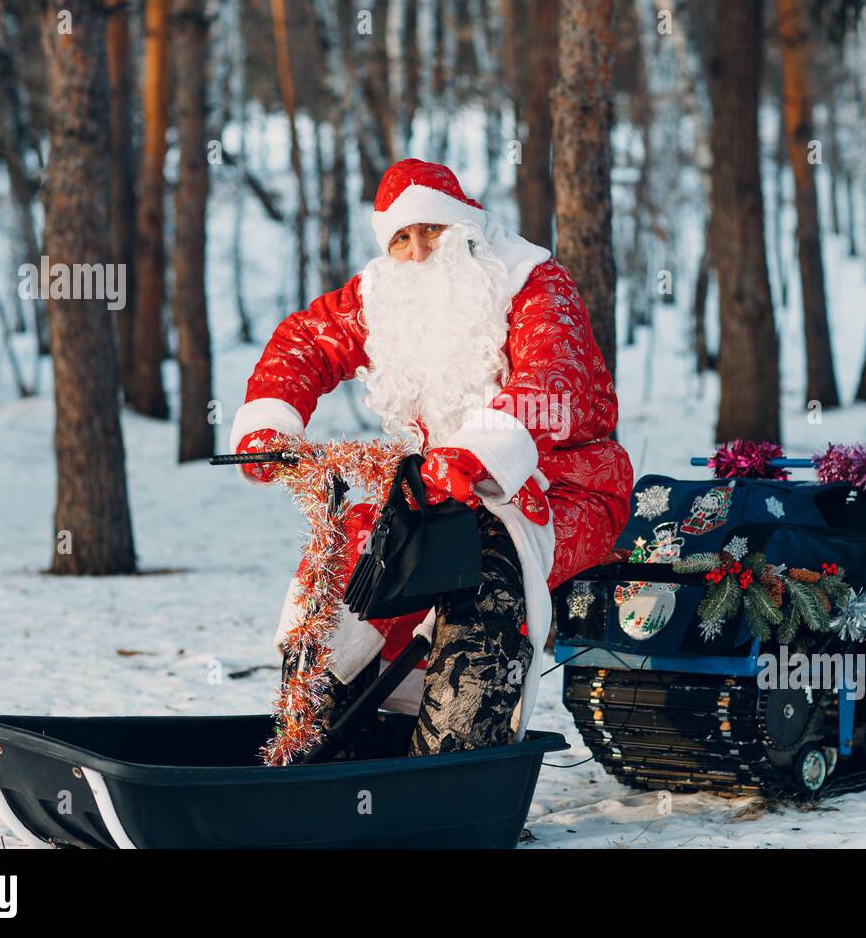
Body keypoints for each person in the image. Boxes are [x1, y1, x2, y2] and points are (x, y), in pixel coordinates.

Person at [231, 158, 633, 754]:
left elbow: (557, 381)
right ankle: (327, 736)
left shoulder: (530, 282)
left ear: (464, 226)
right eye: (402, 238)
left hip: (566, 484)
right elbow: (307, 341)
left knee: (488, 573)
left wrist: (474, 453)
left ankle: (460, 755)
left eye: (433, 231)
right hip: (438, 490)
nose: (418, 252)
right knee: (352, 565)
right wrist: (271, 422)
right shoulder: (386, 297)